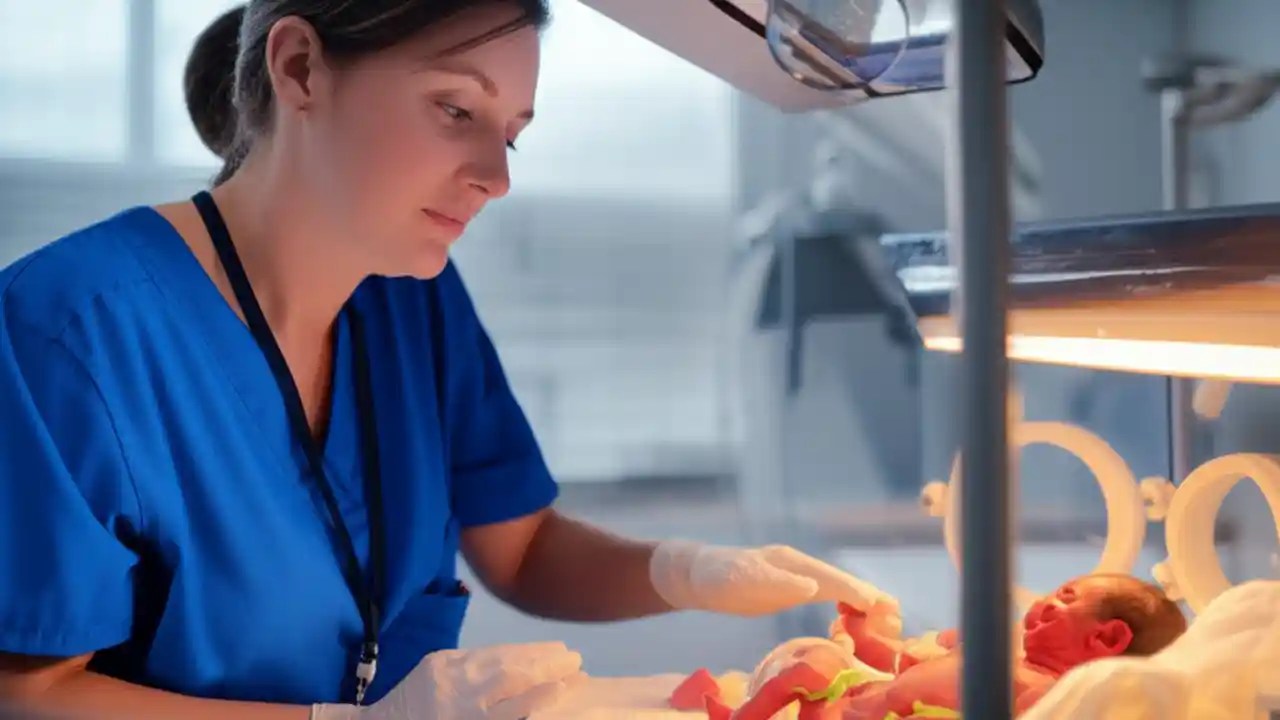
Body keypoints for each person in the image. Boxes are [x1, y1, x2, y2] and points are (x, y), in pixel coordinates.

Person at [0, 2, 895, 719]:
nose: (496, 177)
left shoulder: (410, 295)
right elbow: (27, 691)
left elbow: (524, 550)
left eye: (510, 133)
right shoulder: (68, 331)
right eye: (455, 110)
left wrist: (689, 572)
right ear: (300, 68)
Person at [830, 574, 1188, 718]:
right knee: (812, 665)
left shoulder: (1047, 695)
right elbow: (900, 660)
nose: (1046, 597)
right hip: (857, 704)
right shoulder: (995, 650)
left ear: (1105, 638)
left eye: (1067, 595)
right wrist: (861, 633)